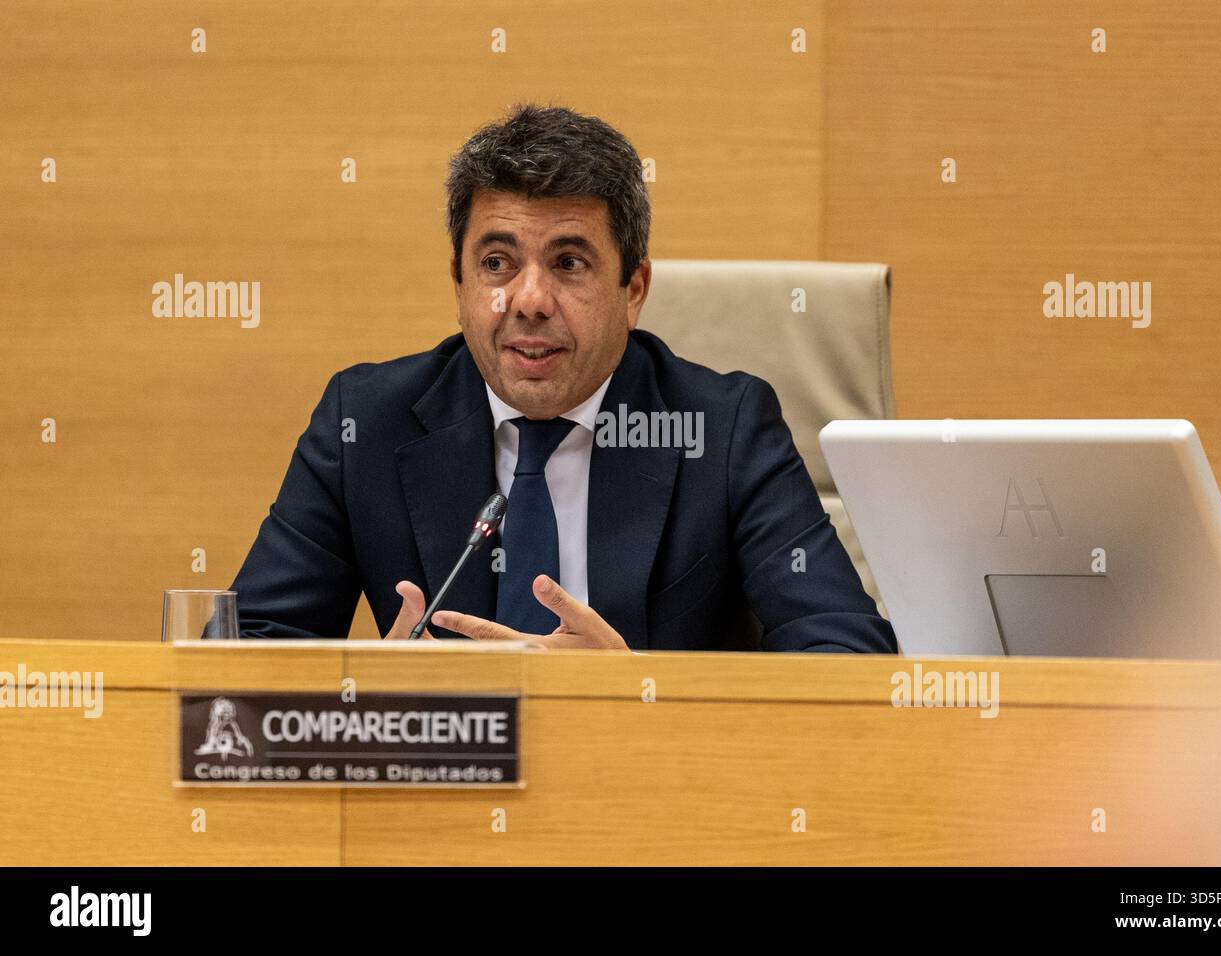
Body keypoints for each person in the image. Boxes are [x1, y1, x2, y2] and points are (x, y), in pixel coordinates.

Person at [230, 103, 896, 654]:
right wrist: (367, 696)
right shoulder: (365, 423)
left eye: (569, 263)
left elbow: (845, 653)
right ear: (459, 284)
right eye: (496, 262)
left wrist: (640, 693)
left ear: (633, 288)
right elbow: (240, 654)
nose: (528, 300)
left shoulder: (722, 430)